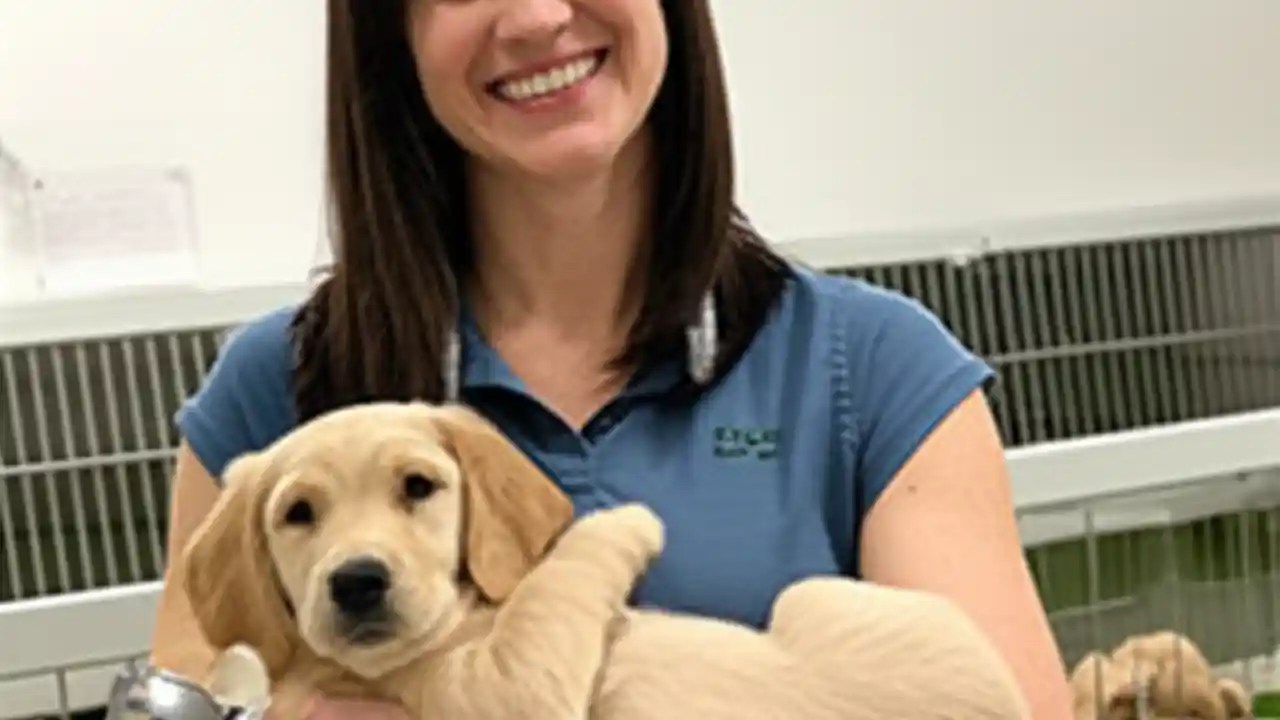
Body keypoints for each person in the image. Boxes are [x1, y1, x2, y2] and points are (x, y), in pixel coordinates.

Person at [149, 1, 1075, 718]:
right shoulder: (278, 390)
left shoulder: (874, 371)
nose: (540, 17)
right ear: (391, 29)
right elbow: (197, 688)